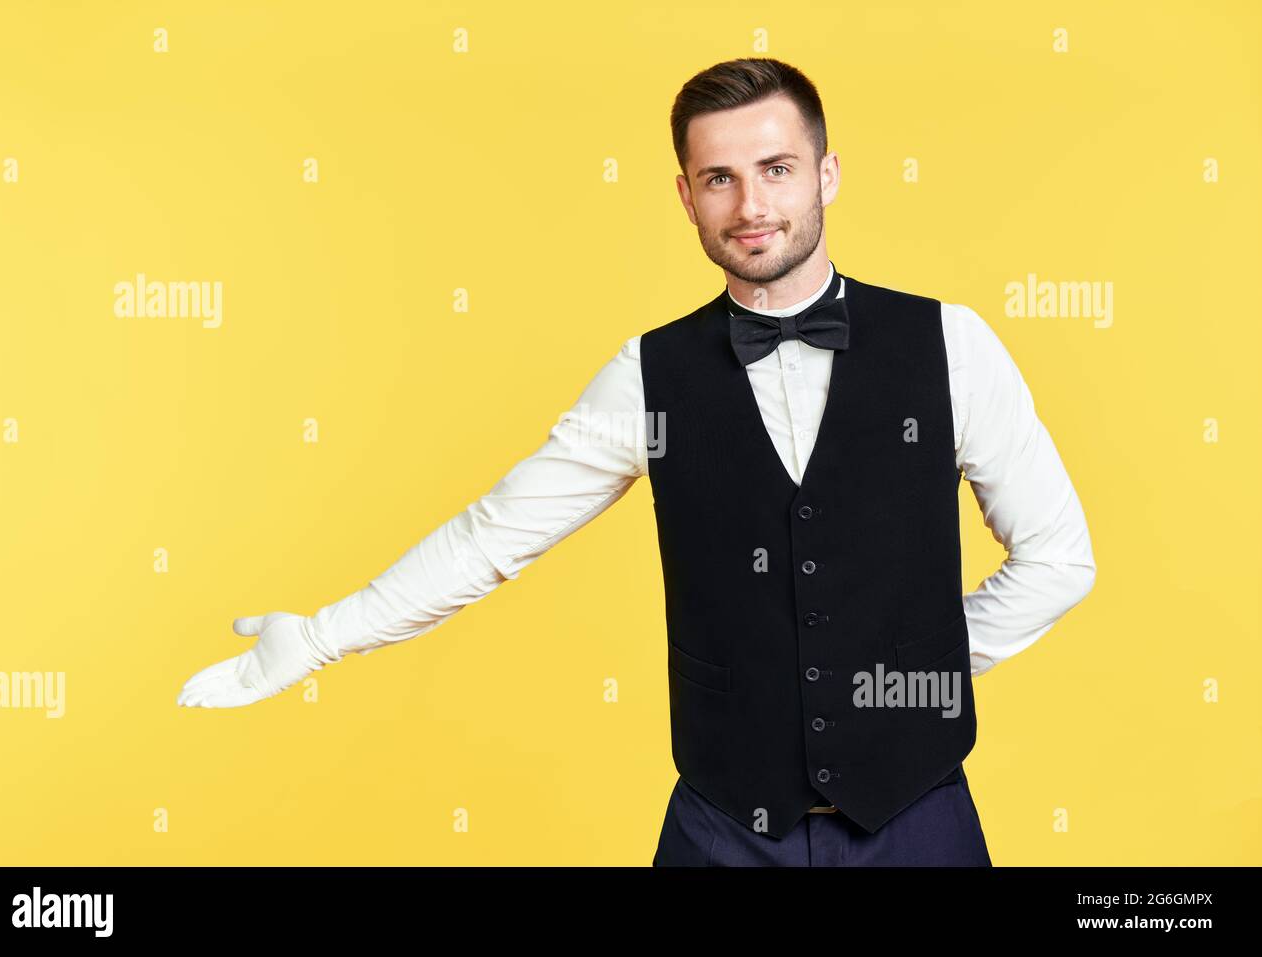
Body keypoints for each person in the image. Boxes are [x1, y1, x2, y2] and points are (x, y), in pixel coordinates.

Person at [178, 57, 1095, 867]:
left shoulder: (949, 345)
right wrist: (322, 637)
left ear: (827, 173)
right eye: (720, 179)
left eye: (777, 170)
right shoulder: (646, 377)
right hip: (723, 830)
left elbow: (1059, 559)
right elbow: (491, 538)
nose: (753, 206)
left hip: (919, 825)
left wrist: (907, 673)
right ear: (687, 196)